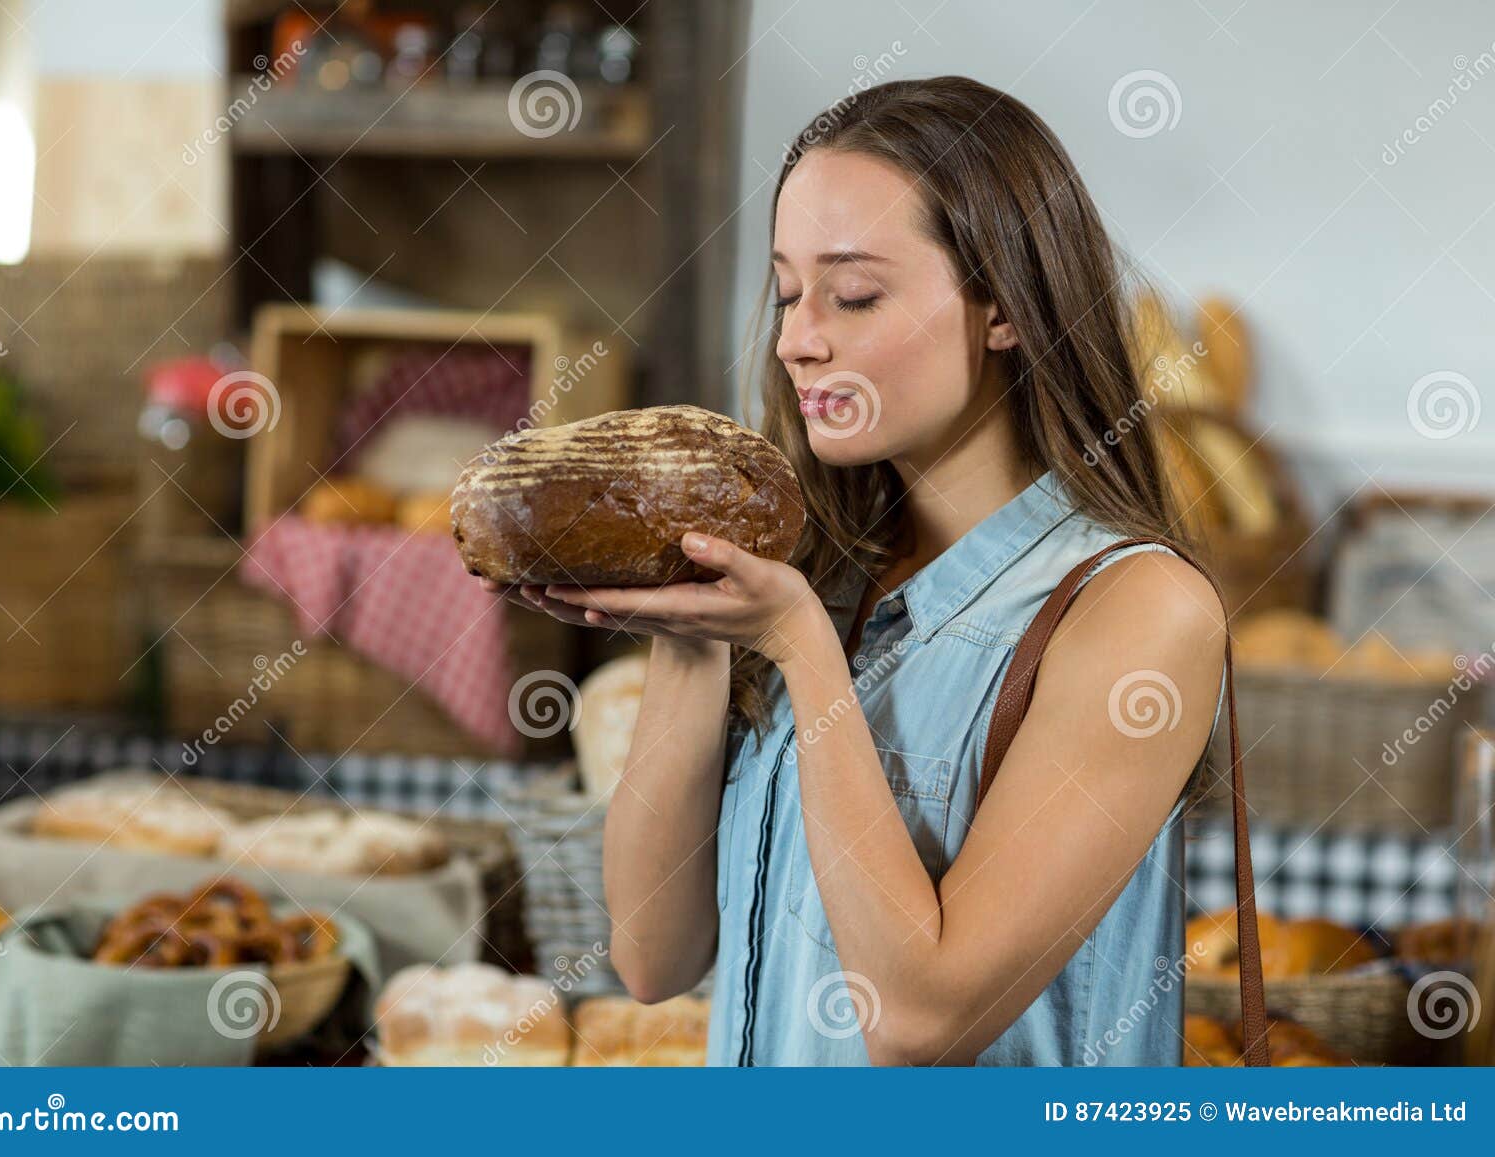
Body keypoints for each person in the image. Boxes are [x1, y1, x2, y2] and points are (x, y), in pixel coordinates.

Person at [482, 76, 1225, 1065]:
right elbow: (653, 954)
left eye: (855, 293)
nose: (797, 338)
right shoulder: (815, 574)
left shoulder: (1137, 610)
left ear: (1002, 306)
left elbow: (921, 1017)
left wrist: (799, 649)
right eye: (787, 291)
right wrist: (690, 632)